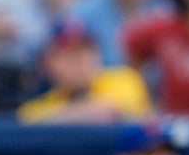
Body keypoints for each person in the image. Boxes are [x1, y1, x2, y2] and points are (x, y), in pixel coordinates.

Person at [16, 17, 152, 125]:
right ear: (49, 63)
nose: (80, 60)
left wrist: (56, 119)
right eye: (70, 54)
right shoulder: (40, 105)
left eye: (87, 51)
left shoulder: (124, 78)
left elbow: (109, 111)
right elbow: (27, 120)